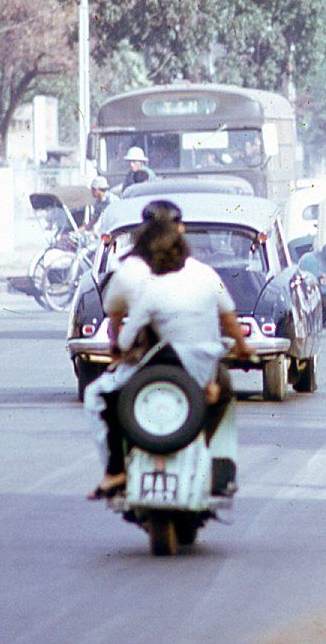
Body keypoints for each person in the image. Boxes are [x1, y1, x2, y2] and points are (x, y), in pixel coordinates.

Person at [85, 209, 253, 498]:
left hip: (156, 367)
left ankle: (116, 469)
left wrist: (123, 347)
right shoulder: (206, 274)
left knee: (102, 396)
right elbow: (229, 317)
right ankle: (210, 458)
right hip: (204, 372)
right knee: (222, 394)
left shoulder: (144, 282)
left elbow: (122, 338)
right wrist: (243, 349)